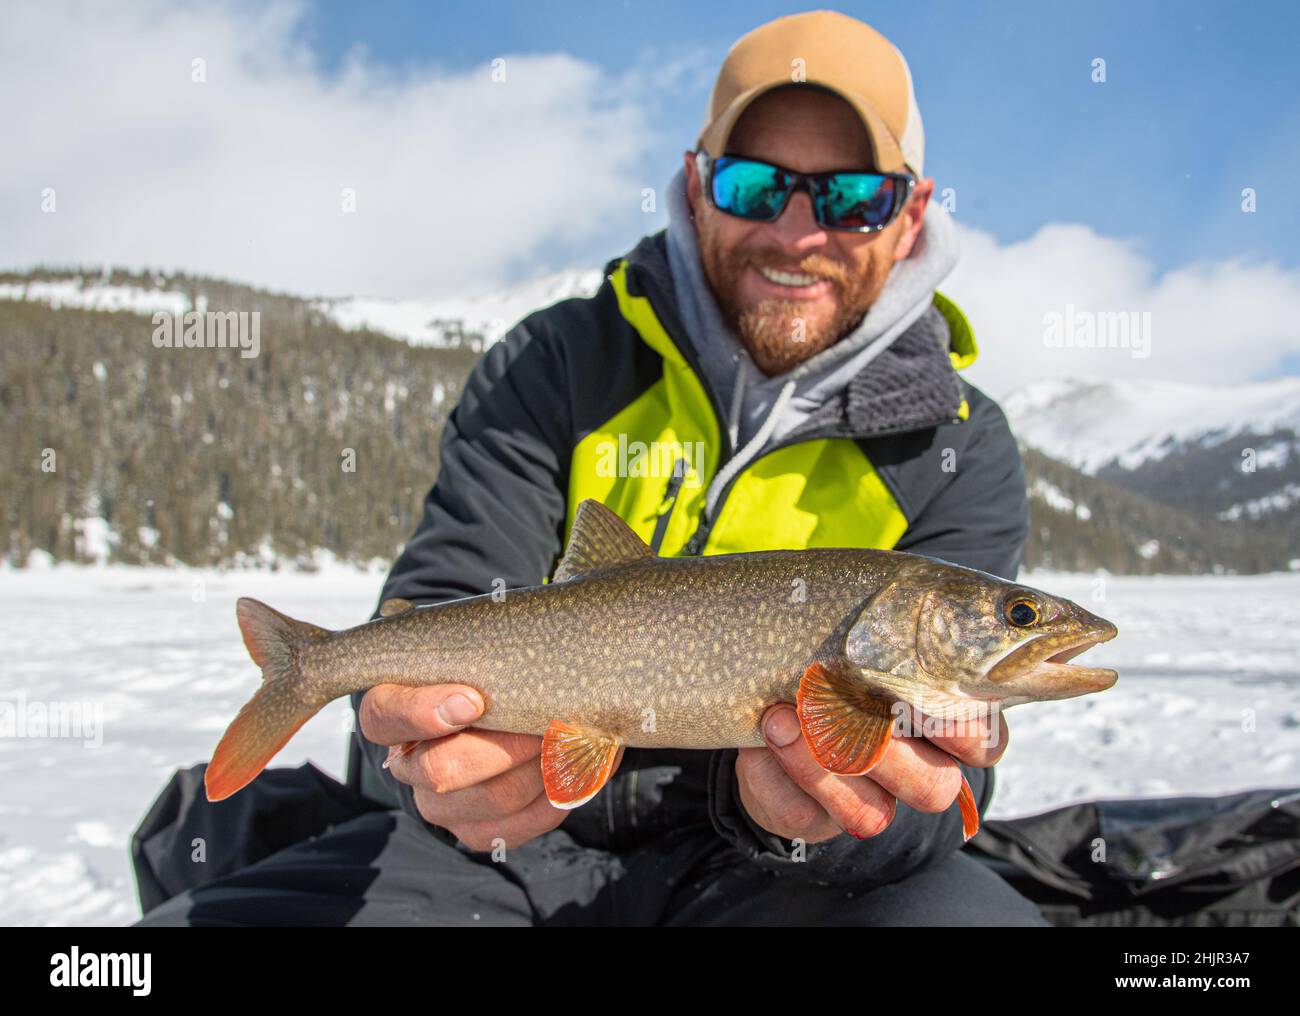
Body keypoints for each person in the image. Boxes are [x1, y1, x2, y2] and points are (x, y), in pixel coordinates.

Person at [136, 10, 1043, 926]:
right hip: (495, 849)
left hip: (780, 880)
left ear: (912, 212)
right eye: (754, 184)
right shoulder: (557, 363)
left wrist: (843, 820)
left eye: (852, 197)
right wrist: (425, 763)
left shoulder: (960, 445)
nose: (798, 229)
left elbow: (950, 791)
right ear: (696, 188)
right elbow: (442, 601)